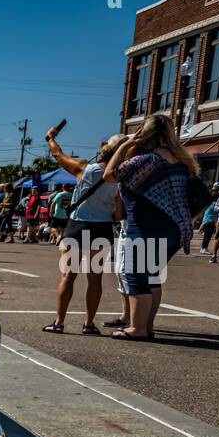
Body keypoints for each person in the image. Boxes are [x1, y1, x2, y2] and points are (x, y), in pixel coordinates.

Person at [104, 113, 197, 340]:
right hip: (175, 227)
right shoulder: (181, 161)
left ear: (145, 133)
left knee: (136, 276)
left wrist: (125, 145)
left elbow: (110, 175)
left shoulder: (147, 160)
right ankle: (148, 325)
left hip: (147, 225)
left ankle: (137, 328)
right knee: (153, 276)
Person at [43, 130, 126, 335]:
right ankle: (89, 324)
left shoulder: (85, 169)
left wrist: (51, 139)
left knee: (68, 276)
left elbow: (58, 155)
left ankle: (59, 322)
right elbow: (118, 215)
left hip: (78, 226)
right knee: (94, 279)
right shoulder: (120, 178)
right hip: (102, 228)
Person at [197, 182, 219, 254]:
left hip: (207, 220)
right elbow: (216, 210)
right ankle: (204, 249)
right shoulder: (214, 203)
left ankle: (203, 248)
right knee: (208, 235)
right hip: (210, 220)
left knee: (206, 235)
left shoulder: (209, 202)